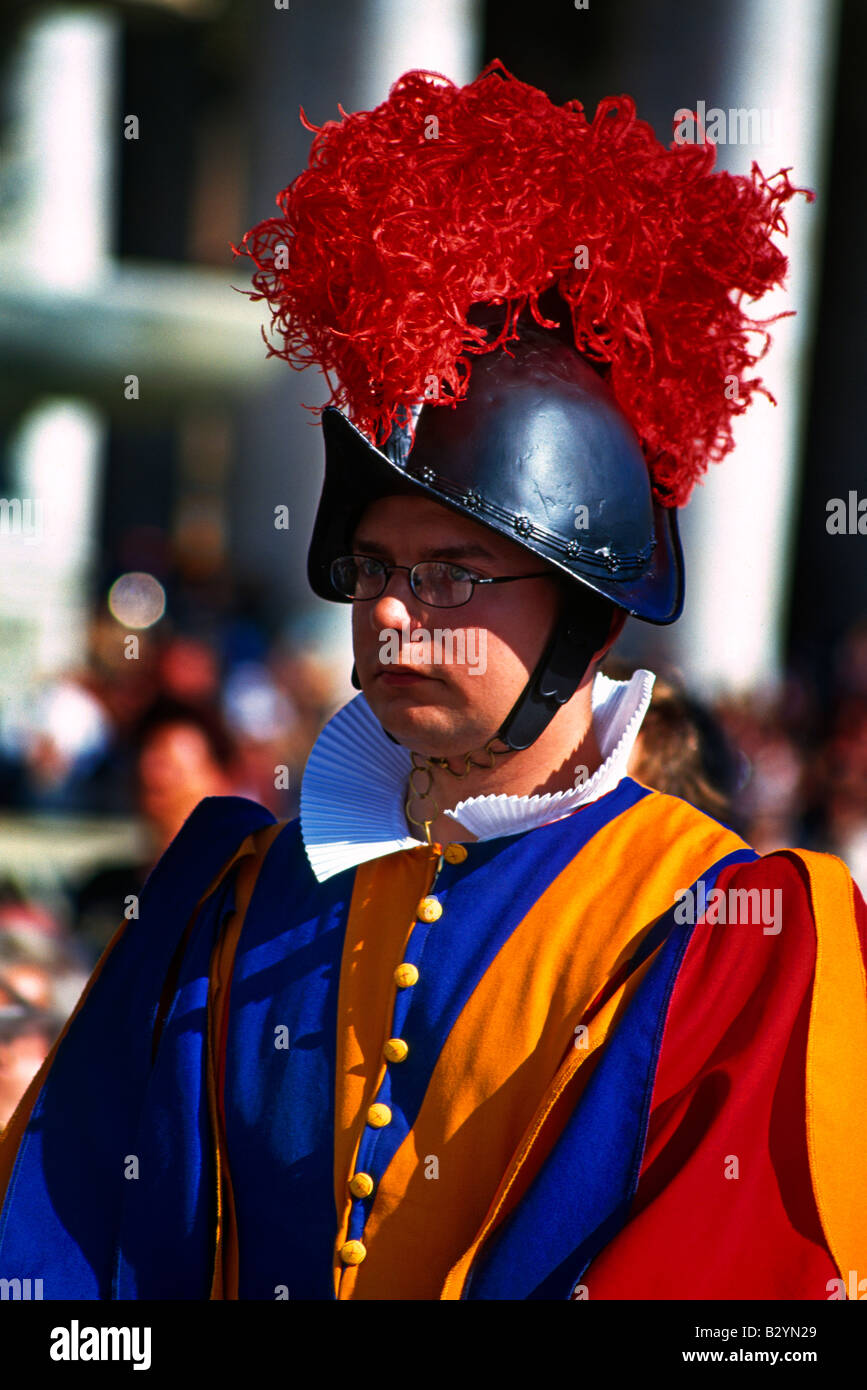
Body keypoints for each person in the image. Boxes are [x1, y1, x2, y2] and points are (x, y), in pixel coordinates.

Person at [1, 60, 864, 1302]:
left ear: (592, 609)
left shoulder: (742, 936)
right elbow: (62, 1266)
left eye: (458, 571)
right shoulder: (220, 895)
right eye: (377, 565)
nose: (395, 610)